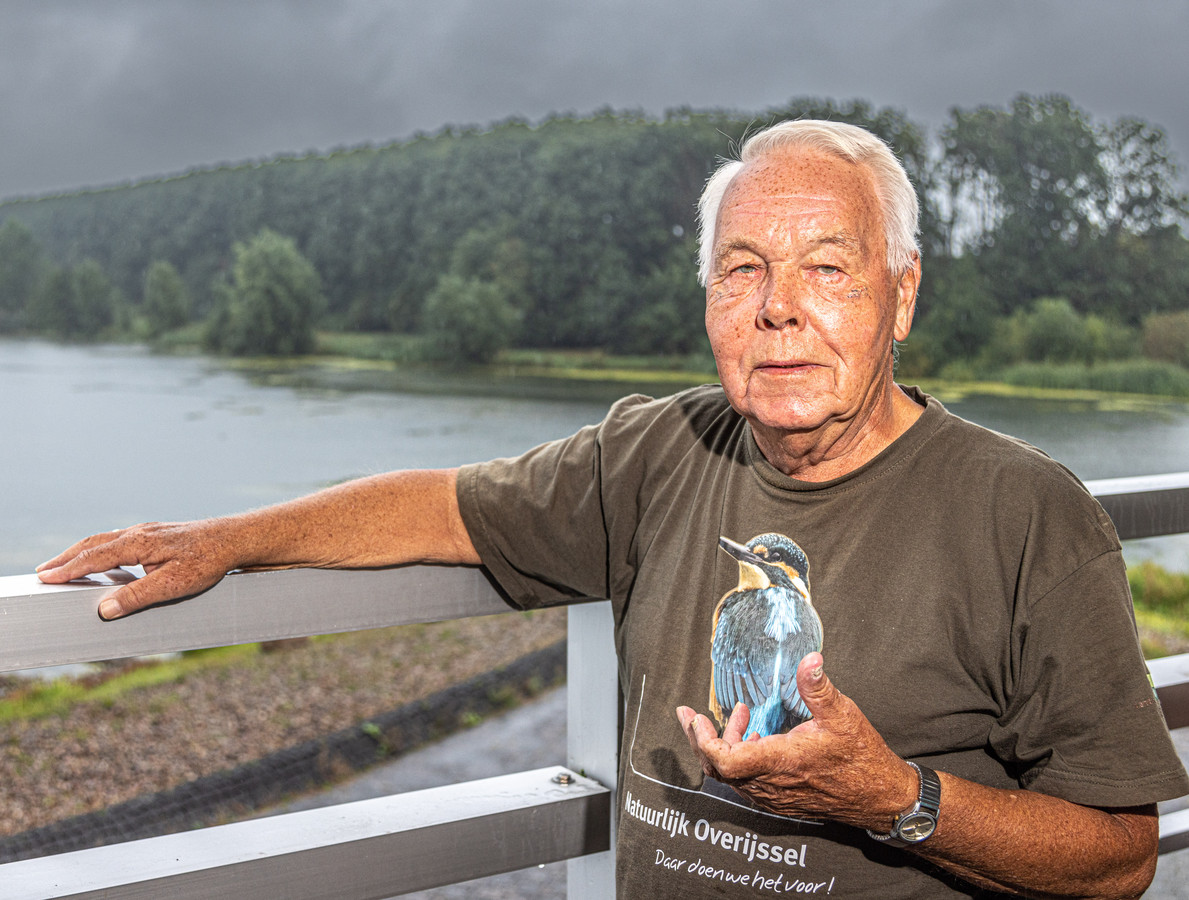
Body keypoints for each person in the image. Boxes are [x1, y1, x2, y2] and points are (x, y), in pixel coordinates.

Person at [38, 120, 1188, 898]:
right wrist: (225, 540)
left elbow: (1118, 857)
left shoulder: (1026, 514)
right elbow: (439, 509)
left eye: (828, 269)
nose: (778, 309)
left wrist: (894, 799)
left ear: (902, 296)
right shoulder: (657, 450)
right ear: (708, 299)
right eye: (742, 269)